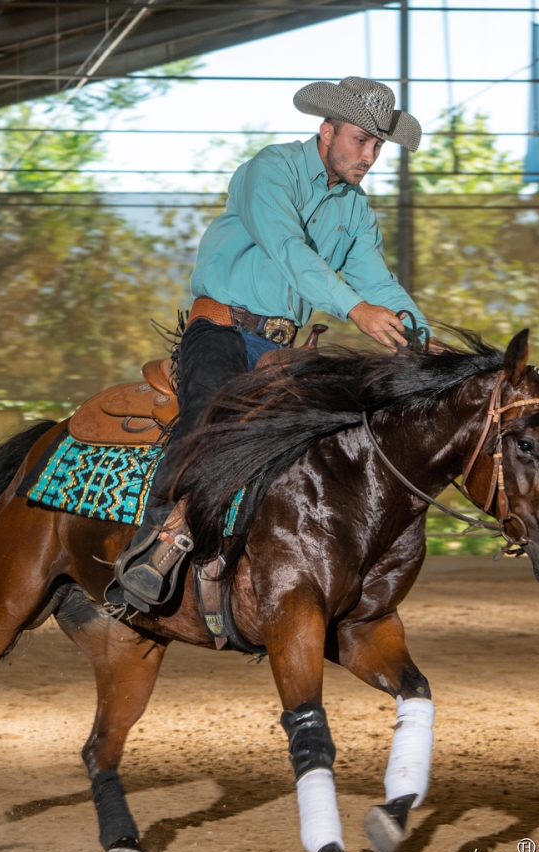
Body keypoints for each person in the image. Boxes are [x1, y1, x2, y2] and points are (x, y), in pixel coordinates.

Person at [107, 76, 433, 612]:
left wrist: (424, 342)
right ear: (326, 131)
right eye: (360, 140)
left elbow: (380, 284)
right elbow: (288, 249)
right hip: (222, 331)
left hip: (284, 350)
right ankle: (150, 551)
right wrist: (355, 309)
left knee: (326, 445)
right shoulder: (271, 170)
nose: (370, 156)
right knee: (206, 425)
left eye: (378, 145)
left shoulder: (355, 209)